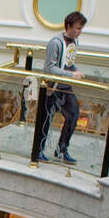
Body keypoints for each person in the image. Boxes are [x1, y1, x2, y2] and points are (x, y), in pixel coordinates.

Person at [39, 10, 87, 163]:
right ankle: (38, 150)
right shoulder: (55, 43)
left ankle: (61, 149)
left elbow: (68, 64)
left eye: (81, 29)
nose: (79, 32)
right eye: (77, 28)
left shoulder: (74, 42)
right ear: (68, 26)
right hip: (52, 88)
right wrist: (71, 75)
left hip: (65, 87)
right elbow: (49, 68)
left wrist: (74, 70)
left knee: (73, 116)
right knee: (46, 120)